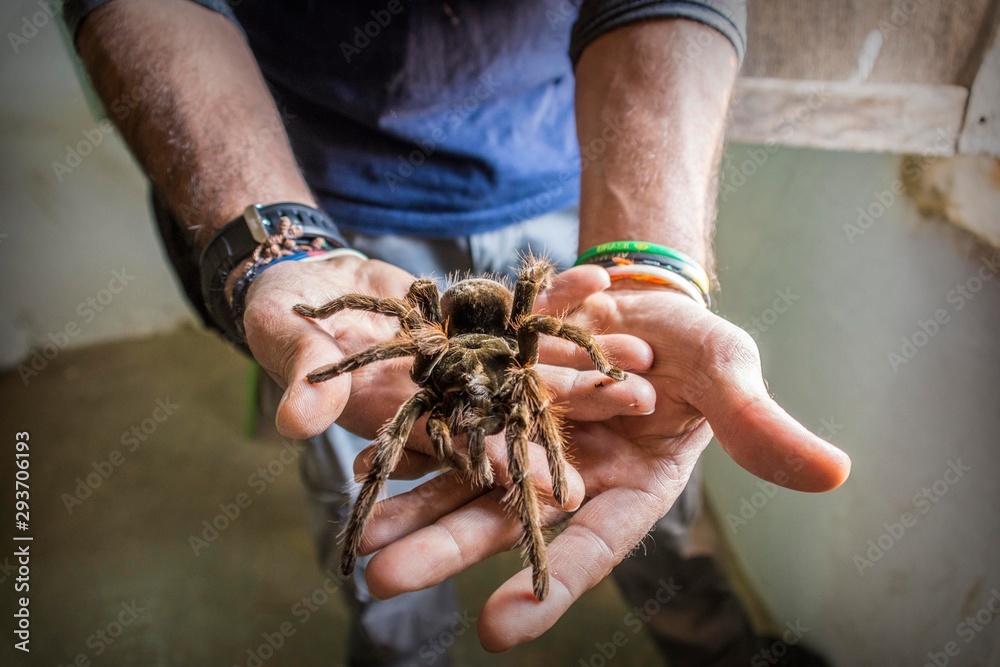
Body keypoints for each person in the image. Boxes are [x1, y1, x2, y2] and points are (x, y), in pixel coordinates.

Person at [64, 1, 851, 664]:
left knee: (631, 450)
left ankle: (712, 643)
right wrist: (294, 258)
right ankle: (396, 647)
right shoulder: (427, 349)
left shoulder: (521, 350)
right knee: (357, 449)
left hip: (560, 171)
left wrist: (644, 277)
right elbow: (385, 348)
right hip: (335, 201)